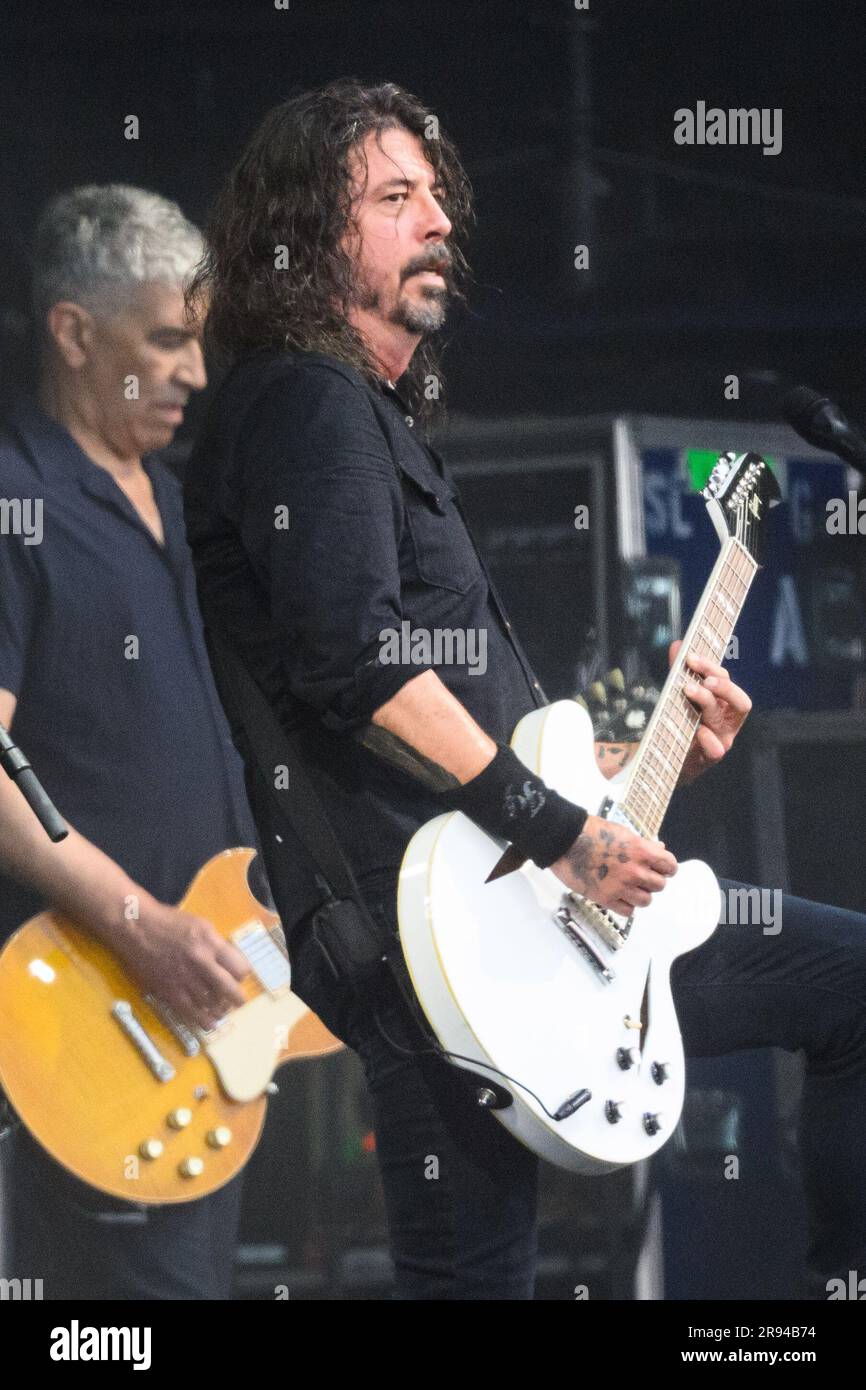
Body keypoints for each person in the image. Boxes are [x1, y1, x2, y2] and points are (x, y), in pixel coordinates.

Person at [184, 78, 866, 1300]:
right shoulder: (305, 399)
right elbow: (360, 665)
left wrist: (643, 765)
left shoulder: (357, 416)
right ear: (304, 238)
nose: (437, 218)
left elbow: (460, 720)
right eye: (394, 198)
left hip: (510, 919)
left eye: (436, 195)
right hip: (440, 935)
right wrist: (563, 836)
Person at [0, 185, 259, 1299]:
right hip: (91, 1014)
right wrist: (141, 924)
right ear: (72, 332)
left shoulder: (175, 499)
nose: (196, 375)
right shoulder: (17, 503)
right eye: (167, 340)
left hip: (198, 1017)